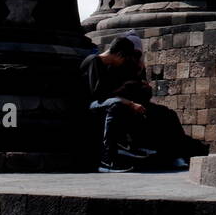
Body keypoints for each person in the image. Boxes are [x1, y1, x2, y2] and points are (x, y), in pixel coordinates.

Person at [79, 32, 207, 172]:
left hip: (112, 101)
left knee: (166, 113)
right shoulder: (94, 61)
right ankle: (107, 160)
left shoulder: (113, 65)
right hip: (93, 104)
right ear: (120, 55)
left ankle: (176, 154)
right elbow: (99, 95)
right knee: (117, 106)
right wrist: (129, 102)